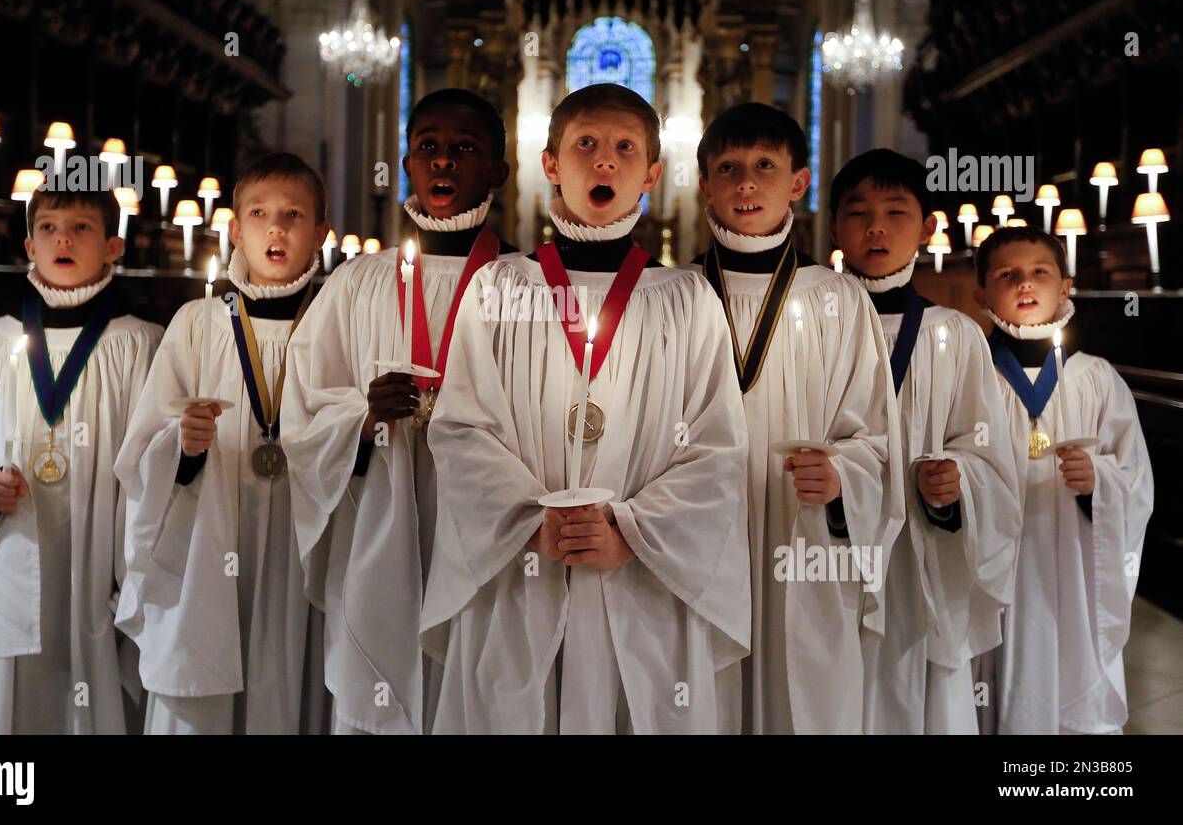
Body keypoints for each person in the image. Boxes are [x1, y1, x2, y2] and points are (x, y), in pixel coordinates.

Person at [422, 83, 752, 734]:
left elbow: (717, 447)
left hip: (644, 576)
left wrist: (631, 530)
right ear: (550, 164)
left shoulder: (688, 300)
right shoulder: (499, 288)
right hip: (522, 568)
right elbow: (461, 429)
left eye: (626, 148)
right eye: (586, 145)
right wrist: (529, 522)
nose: (605, 161)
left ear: (652, 174)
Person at [282, 89, 518, 734]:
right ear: (407, 163)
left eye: (465, 150)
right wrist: (359, 416)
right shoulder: (359, 282)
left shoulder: (523, 285)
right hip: (381, 522)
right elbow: (303, 407)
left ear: (499, 170)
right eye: (430, 148)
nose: (444, 163)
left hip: (484, 525)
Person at [0, 187, 162, 733]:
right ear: (29, 243)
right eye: (48, 228)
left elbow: (157, 456)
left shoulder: (141, 346)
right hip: (7, 554)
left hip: (100, 558)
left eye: (81, 228)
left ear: (114, 247)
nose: (62, 238)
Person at [687, 104, 901, 734]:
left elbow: (874, 433)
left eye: (764, 167)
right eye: (728, 168)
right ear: (704, 185)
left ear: (799, 183)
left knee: (801, 689)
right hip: (699, 527)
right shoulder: (673, 295)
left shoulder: (837, 297)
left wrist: (845, 477)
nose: (746, 183)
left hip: (803, 532)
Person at [115, 153, 328, 734]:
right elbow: (141, 450)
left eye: (293, 215)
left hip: (300, 538)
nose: (276, 229)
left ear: (321, 233)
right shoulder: (197, 323)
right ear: (235, 229)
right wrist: (181, 446)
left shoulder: (337, 319)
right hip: (209, 535)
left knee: (290, 672)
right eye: (258, 213)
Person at [830, 148, 1021, 734]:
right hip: (825, 551)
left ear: (928, 227)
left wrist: (958, 483)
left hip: (916, 556)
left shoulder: (954, 334)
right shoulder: (808, 321)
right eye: (859, 213)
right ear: (836, 226)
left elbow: (987, 450)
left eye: (895, 212)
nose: (876, 227)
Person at [972, 226, 1152, 734]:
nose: (1024, 283)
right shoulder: (968, 374)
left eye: (1039, 273)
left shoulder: (1096, 378)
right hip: (994, 573)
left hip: (1071, 571)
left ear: (1065, 286)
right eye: (1007, 275)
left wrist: (1099, 481)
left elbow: (1136, 479)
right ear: (981, 293)